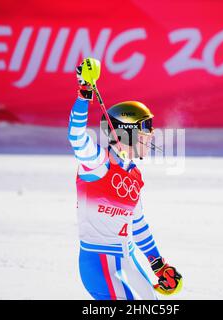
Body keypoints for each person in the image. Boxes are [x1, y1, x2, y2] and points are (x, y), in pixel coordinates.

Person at [67, 61, 182, 300]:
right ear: (125, 133)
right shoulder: (98, 163)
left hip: (128, 260)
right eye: (143, 133)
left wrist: (157, 264)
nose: (149, 138)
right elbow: (76, 137)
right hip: (99, 263)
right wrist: (84, 93)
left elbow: (138, 224)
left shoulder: (134, 175)